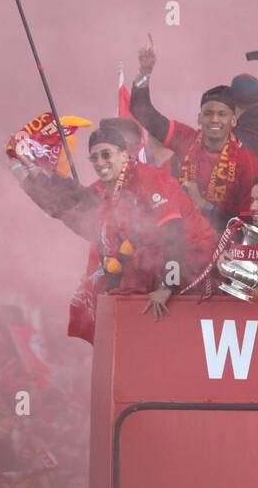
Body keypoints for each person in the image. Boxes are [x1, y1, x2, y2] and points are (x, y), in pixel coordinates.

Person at [14, 122, 217, 338]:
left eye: (106, 154)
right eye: (94, 157)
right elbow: (67, 204)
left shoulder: (152, 178)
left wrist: (168, 286)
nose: (100, 162)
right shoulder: (106, 188)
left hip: (197, 267)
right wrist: (26, 170)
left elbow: (174, 234)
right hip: (162, 273)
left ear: (124, 154)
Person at [129, 36, 258, 228]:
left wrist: (203, 205)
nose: (215, 120)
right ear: (199, 118)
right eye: (208, 113)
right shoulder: (186, 138)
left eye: (222, 114)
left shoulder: (247, 162)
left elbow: (248, 223)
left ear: (233, 120)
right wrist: (145, 71)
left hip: (224, 248)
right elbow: (141, 110)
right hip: (184, 241)